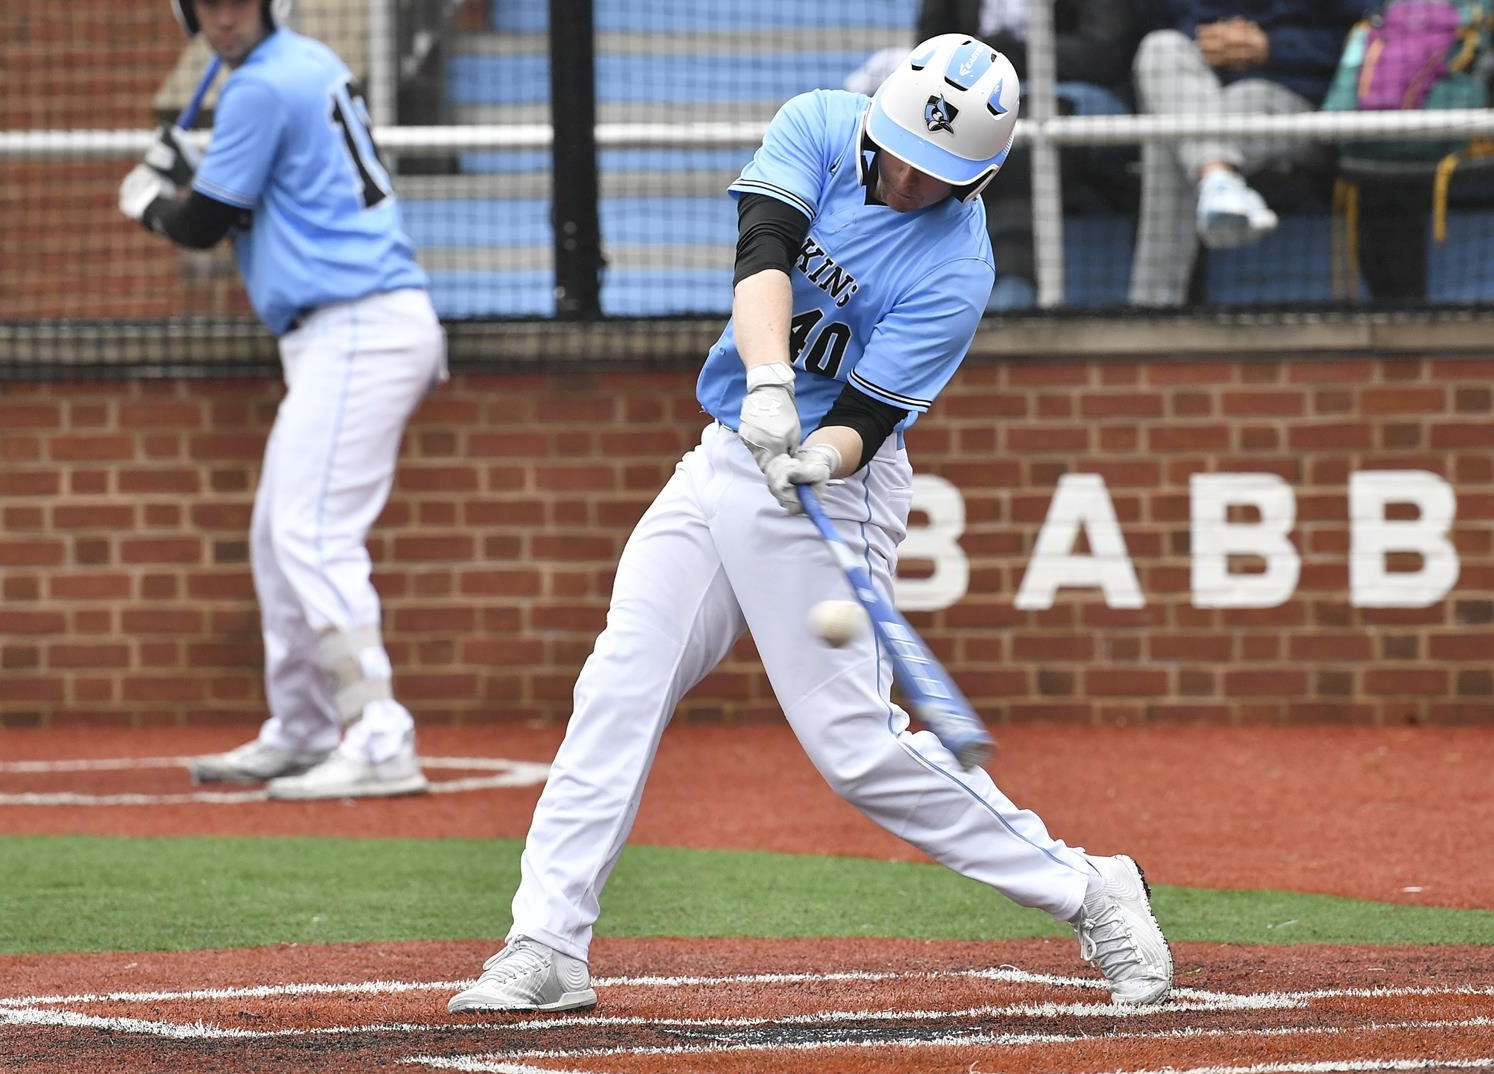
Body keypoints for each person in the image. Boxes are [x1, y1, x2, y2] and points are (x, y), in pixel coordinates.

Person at [446, 35, 1171, 1015]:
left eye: (937, 171)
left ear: (982, 174)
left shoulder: (958, 269)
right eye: (902, 153)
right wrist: (768, 384)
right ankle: (546, 942)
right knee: (617, 686)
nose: (909, 179)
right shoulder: (821, 123)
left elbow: (866, 421)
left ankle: (1088, 889)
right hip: (728, 448)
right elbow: (764, 254)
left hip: (828, 490)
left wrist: (817, 457)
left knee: (858, 750)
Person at [117, 0, 444, 800]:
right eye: (210, 3)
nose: (224, 17)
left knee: (312, 533)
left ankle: (379, 734)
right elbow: (277, 187)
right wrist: (193, 168)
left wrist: (151, 198)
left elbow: (205, 223)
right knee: (279, 535)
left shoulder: (259, 85)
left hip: (357, 325)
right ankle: (303, 726)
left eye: (239, 1)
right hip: (347, 328)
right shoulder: (305, 62)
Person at [846, 0, 1151, 311]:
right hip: (974, 104)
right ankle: (874, 279)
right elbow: (935, 43)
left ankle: (1009, 302)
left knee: (1011, 147)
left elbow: (1103, 55)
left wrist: (1009, 60)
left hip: (1080, 93)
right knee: (912, 130)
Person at [1127, 0, 1374, 306]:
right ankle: (1217, 177)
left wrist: (1272, 47)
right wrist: (1211, 38)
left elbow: (1368, 36)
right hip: (1196, 95)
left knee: (1185, 128)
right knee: (1160, 47)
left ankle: (1152, 308)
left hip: (1300, 105)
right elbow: (1149, 22)